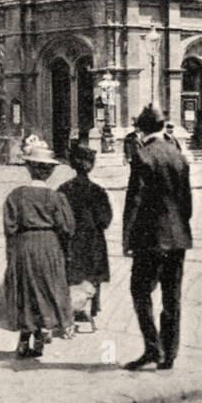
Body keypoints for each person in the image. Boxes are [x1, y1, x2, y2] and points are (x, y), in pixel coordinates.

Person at [123, 104, 193, 370]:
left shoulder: (142, 156)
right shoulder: (178, 156)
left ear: (141, 129)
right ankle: (170, 354)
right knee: (171, 296)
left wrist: (129, 238)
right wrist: (180, 227)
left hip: (150, 239)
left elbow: (135, 201)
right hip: (177, 239)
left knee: (140, 291)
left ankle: (153, 348)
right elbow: (187, 203)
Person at [0, 138, 75, 357]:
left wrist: (11, 253)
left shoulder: (16, 195)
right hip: (49, 246)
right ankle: (42, 336)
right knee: (48, 288)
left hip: (24, 246)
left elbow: (9, 227)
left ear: (29, 169)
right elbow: (68, 227)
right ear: (50, 172)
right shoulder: (56, 197)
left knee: (26, 290)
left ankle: (24, 341)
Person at [58, 140, 112, 330]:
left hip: (70, 241)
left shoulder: (63, 190)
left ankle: (68, 313)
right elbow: (106, 220)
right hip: (93, 242)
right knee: (91, 275)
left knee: (70, 276)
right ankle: (90, 310)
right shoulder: (98, 191)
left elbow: (57, 218)